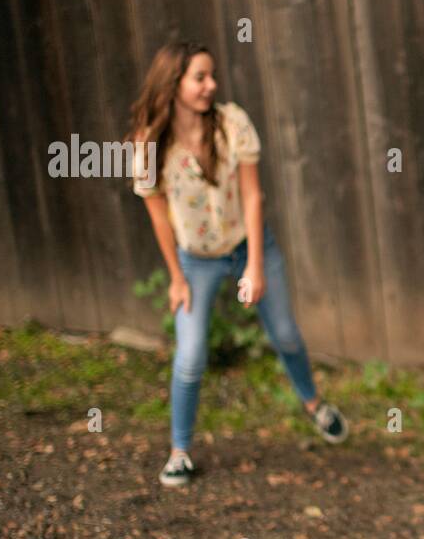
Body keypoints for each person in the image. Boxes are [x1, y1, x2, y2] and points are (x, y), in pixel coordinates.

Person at [125, 42, 347, 486]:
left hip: (249, 246)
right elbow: (159, 218)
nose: (212, 86)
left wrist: (256, 267)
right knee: (190, 357)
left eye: (212, 76)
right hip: (196, 261)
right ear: (174, 84)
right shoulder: (149, 146)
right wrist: (176, 278)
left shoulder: (232, 123)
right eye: (200, 78)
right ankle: (179, 452)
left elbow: (252, 195)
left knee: (284, 333)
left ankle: (314, 404)